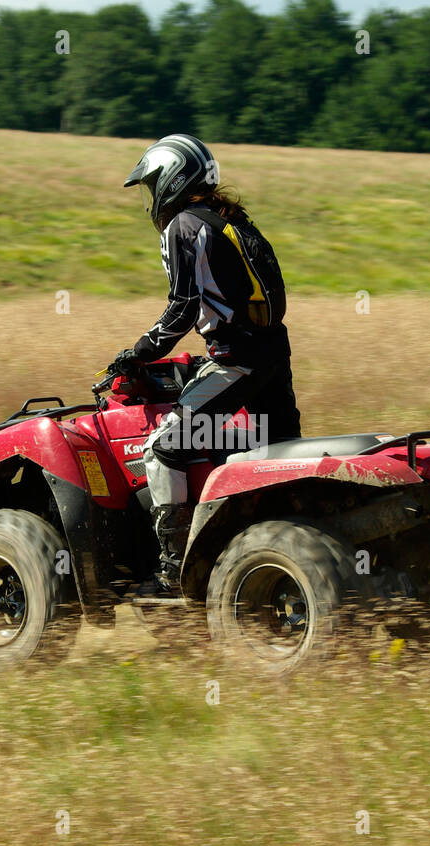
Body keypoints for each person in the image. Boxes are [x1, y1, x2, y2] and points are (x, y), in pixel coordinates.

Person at [117, 133, 301, 593]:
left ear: (170, 181)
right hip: (274, 360)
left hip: (236, 366)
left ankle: (175, 571)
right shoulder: (234, 221)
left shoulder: (183, 225)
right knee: (276, 455)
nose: (149, 200)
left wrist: (136, 351)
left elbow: (181, 309)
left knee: (161, 450)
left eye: (150, 186)